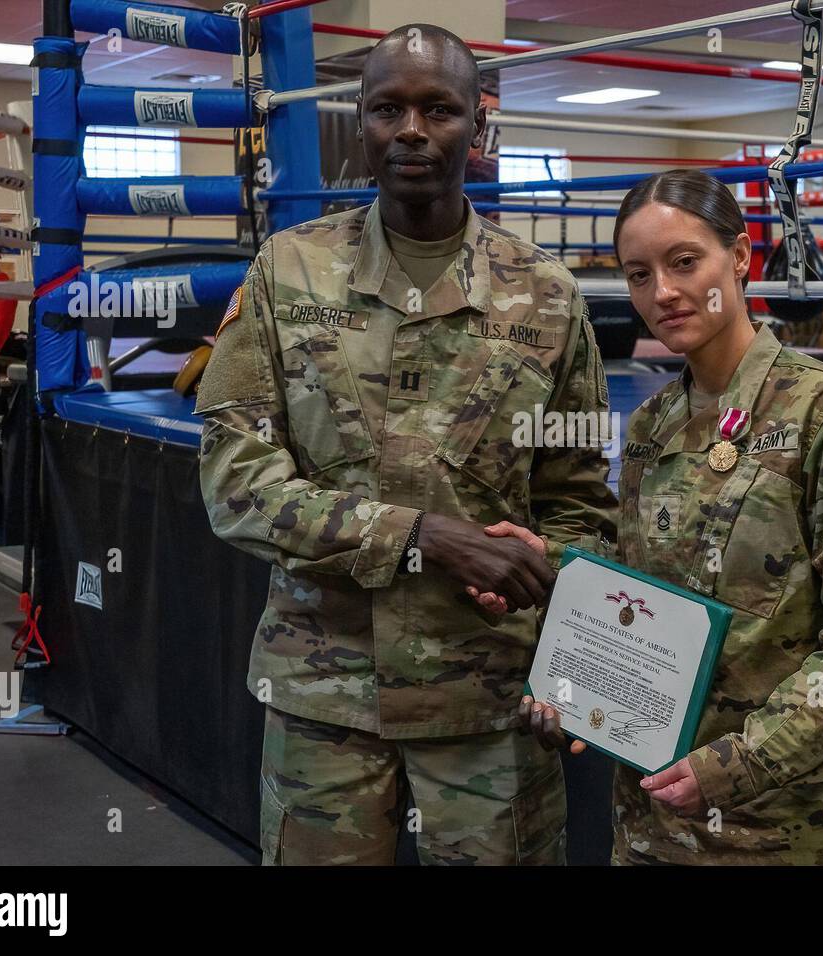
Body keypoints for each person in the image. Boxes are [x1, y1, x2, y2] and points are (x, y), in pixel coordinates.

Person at [195, 23, 617, 866]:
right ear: (363, 122)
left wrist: (554, 603)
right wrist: (419, 536)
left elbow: (582, 507)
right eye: (388, 108)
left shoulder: (548, 298)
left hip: (490, 706)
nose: (413, 130)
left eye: (440, 109)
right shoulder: (287, 272)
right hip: (327, 698)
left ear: (479, 126)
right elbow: (235, 484)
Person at [500, 169, 823, 865]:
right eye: (639, 275)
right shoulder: (651, 424)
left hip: (786, 837)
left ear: (743, 258)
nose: (662, 292)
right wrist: (559, 626)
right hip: (652, 832)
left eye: (684, 262)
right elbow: (639, 600)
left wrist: (737, 767)